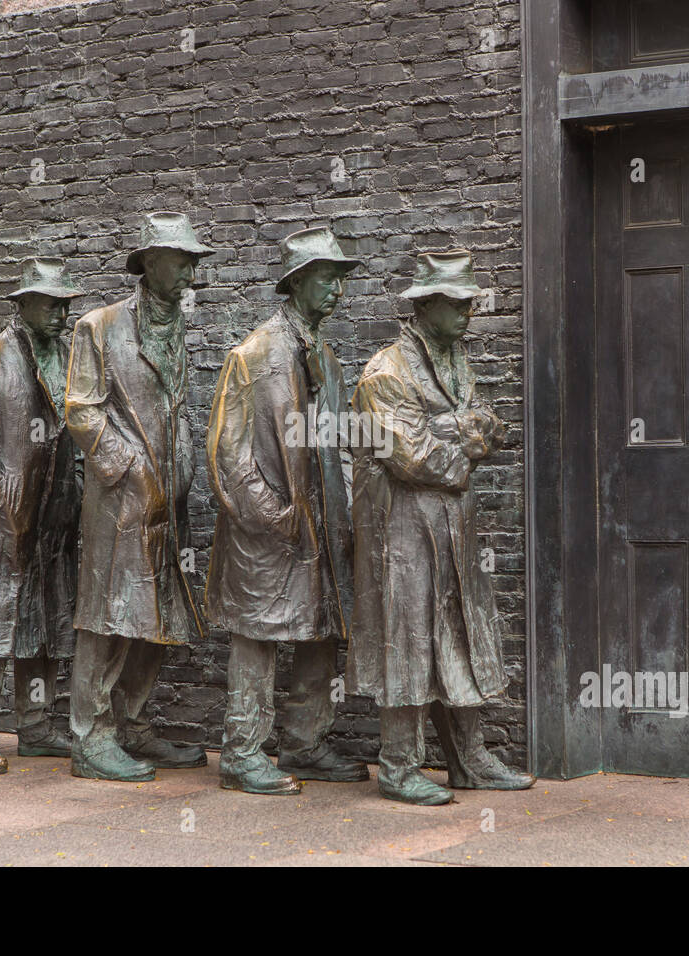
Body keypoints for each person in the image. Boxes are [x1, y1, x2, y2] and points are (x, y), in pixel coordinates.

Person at [349, 250, 536, 804]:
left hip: (452, 523)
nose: (468, 313)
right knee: (406, 639)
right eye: (456, 303)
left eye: (470, 302)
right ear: (425, 305)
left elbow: (488, 426)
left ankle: (468, 758)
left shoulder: (458, 361)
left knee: (458, 631)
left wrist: (452, 428)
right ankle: (400, 765)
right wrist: (459, 441)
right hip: (402, 528)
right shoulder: (386, 371)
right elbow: (410, 454)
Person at [206, 226, 371, 795]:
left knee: (319, 632)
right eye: (327, 279)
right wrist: (274, 517)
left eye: (340, 281)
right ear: (298, 282)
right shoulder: (253, 355)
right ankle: (242, 752)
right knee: (258, 637)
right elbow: (229, 457)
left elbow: (341, 440)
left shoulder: (323, 356)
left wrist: (344, 508)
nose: (336, 292)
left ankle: (305, 743)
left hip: (322, 525)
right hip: (269, 532)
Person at [64, 212, 213, 781]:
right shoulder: (98, 327)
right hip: (120, 501)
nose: (189, 272)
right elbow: (80, 406)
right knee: (107, 617)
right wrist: (126, 465)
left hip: (167, 505)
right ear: (149, 263)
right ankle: (90, 738)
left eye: (193, 261)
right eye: (180, 260)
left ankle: (133, 725)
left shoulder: (178, 325)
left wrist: (181, 470)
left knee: (158, 618)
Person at [0, 258, 85, 774]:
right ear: (23, 304)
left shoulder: (70, 356)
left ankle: (35, 723)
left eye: (66, 305)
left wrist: (71, 493)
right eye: (51, 304)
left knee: (43, 617)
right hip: (1, 519)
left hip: (55, 512)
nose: (61, 314)